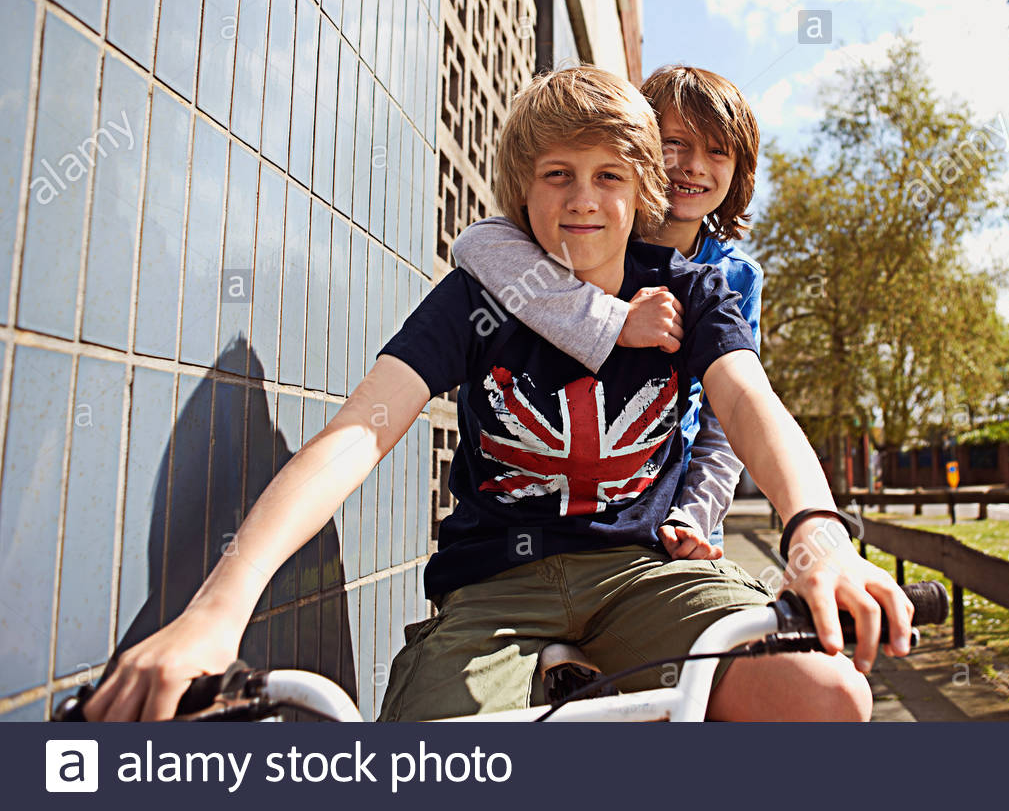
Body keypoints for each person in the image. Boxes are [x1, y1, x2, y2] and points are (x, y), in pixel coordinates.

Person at [85, 66, 912, 723]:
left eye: (610, 176)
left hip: (643, 568)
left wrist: (818, 535)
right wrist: (214, 614)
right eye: (558, 175)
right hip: (494, 584)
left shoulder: (695, 294)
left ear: (644, 191)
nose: (584, 199)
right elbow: (354, 436)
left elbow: (749, 406)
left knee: (828, 695)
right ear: (524, 192)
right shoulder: (476, 299)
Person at [450, 65, 761, 562]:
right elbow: (478, 243)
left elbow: (728, 418)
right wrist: (613, 320)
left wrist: (695, 513)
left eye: (717, 150)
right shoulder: (589, 229)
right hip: (544, 520)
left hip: (675, 521)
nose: (692, 166)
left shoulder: (734, 278)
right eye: (674, 144)